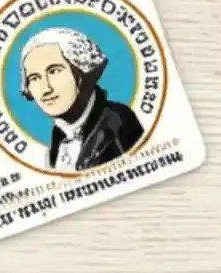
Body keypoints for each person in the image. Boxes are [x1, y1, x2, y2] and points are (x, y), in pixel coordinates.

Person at [19, 27, 145, 171]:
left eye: (54, 71)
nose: (46, 89)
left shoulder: (118, 124)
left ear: (82, 71)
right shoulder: (60, 133)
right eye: (34, 78)